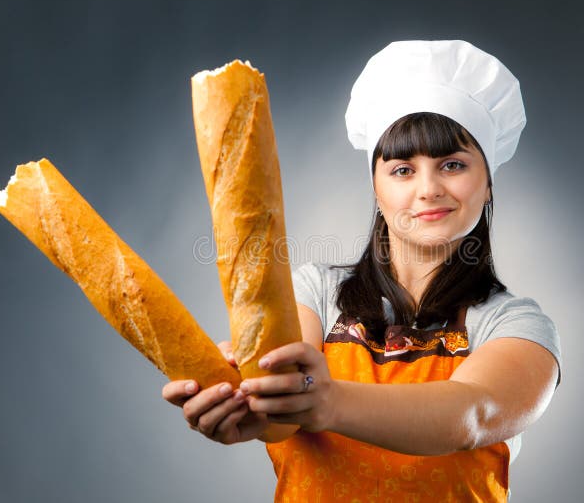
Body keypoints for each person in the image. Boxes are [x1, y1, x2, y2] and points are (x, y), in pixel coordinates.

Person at [162, 40, 562, 502]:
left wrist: (326, 400)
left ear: (488, 183)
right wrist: (250, 405)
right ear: (376, 186)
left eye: (453, 165)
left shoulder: (517, 325)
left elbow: (471, 415)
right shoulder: (316, 291)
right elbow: (285, 415)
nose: (429, 189)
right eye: (402, 169)